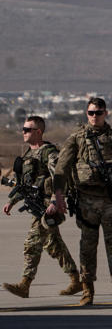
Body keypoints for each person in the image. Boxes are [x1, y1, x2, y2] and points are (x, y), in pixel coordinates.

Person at [51, 97, 112, 306]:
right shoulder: (76, 139)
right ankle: (87, 291)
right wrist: (58, 194)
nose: (94, 116)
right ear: (86, 114)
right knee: (87, 247)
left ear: (106, 113)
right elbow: (61, 169)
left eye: (98, 112)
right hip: (87, 201)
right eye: (91, 113)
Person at [3, 116, 80, 299]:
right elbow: (23, 184)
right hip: (38, 206)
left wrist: (55, 200)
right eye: (23, 129)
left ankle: (25, 284)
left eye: (27, 129)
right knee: (53, 244)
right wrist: (11, 202)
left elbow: (58, 177)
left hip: (49, 206)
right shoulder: (28, 155)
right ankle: (76, 280)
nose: (23, 132)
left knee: (32, 243)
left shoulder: (49, 153)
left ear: (38, 132)